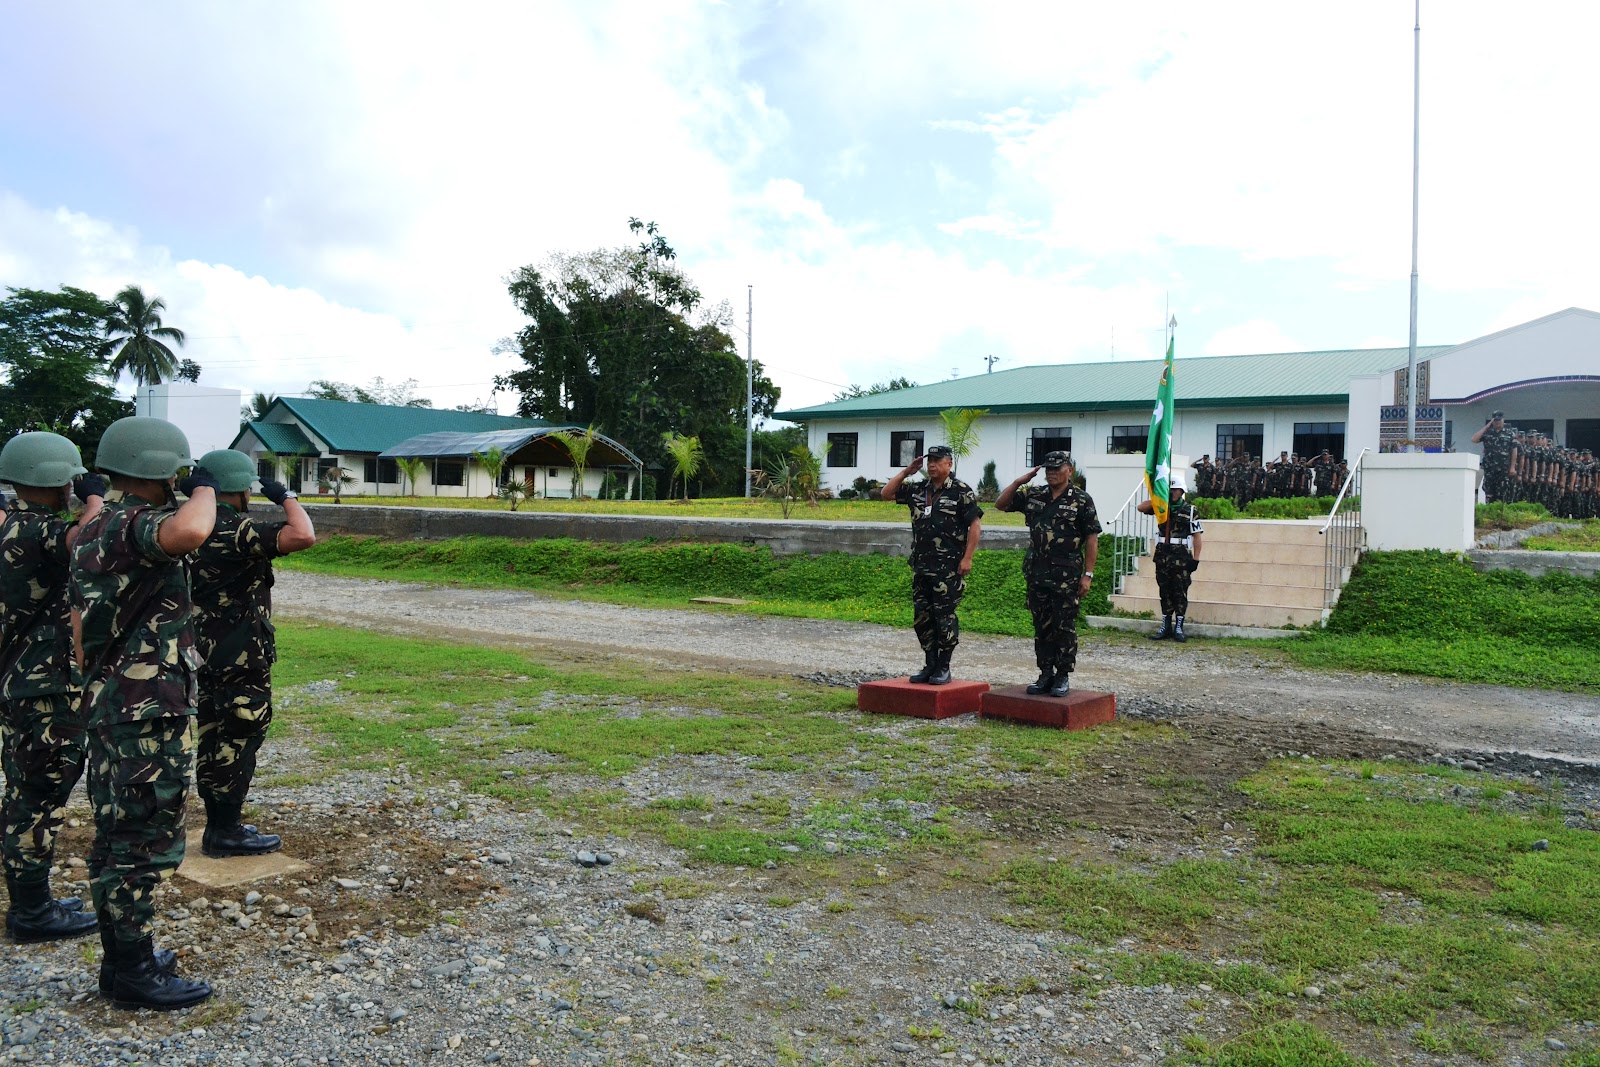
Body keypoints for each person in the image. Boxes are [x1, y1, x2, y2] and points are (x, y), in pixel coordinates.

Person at [72, 416, 217, 1010]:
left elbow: (80, 624)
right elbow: (190, 532)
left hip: (116, 703)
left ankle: (121, 960)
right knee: (142, 839)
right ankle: (132, 972)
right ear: (163, 469)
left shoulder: (94, 525)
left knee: (117, 835)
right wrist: (204, 487)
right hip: (144, 711)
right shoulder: (133, 524)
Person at [0, 432, 103, 944]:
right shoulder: (38, 530)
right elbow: (87, 541)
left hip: (22, 680)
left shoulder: (11, 523)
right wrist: (96, 498)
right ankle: (32, 913)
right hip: (44, 686)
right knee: (39, 794)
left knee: (26, 790)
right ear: (55, 478)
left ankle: (31, 902)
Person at [189, 450, 316, 857]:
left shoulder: (189, 525)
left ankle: (219, 823)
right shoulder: (232, 529)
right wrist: (286, 497)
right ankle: (225, 831)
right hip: (240, 654)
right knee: (241, 734)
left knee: (213, 734)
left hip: (203, 650)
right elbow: (303, 535)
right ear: (241, 489)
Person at [996, 452, 1101, 697]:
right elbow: (1000, 504)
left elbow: (1092, 538)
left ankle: (1062, 675)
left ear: (1070, 470)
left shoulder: (1082, 500)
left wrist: (1088, 574)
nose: (1052, 472)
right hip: (1037, 572)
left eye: (1057, 468)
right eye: (1048, 469)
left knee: (1063, 626)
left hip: (1066, 575)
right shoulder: (1035, 495)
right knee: (1041, 626)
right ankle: (1045, 674)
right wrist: (1018, 482)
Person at [881, 444, 982, 685]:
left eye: (938, 461)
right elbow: (886, 493)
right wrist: (907, 471)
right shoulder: (918, 489)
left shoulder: (961, 491)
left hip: (948, 568)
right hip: (922, 566)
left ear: (949, 464)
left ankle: (943, 666)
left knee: (944, 617)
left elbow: (975, 526)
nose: (932, 465)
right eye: (929, 461)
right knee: (922, 618)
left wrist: (967, 557)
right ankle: (930, 664)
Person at [1138, 475, 1204, 642]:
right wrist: (1158, 498)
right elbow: (1140, 507)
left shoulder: (1190, 510)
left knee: (1180, 591)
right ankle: (1165, 625)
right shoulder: (1161, 507)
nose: (1173, 492)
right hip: (1163, 555)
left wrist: (1196, 559)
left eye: (1175, 489)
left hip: (1181, 556)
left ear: (1182, 491)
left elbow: (1197, 536)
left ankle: (1179, 626)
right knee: (1165, 590)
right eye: (1171, 489)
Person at [1471, 411, 1515, 502]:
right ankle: (1489, 513)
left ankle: (1500, 514)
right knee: (1489, 494)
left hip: (1503, 469)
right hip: (1489, 469)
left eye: (1499, 420)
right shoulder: (1487, 433)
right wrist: (1487, 426)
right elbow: (1474, 439)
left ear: (1503, 420)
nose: (1497, 422)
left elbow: (1514, 450)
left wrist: (1512, 467)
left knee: (1502, 494)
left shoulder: (1509, 433)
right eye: (1495, 420)